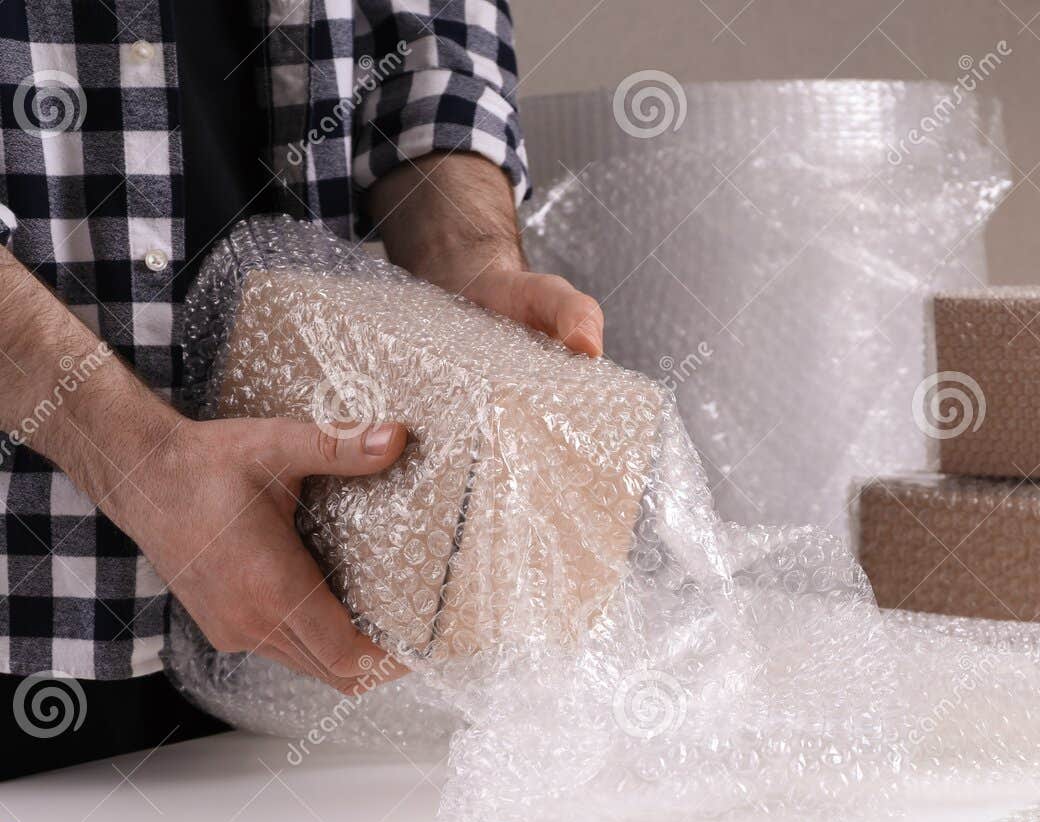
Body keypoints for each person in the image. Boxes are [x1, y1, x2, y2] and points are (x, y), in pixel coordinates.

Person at [0, 2, 602, 778]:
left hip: (301, 613)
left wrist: (472, 262)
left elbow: (426, 39)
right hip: (30, 600)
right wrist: (139, 461)